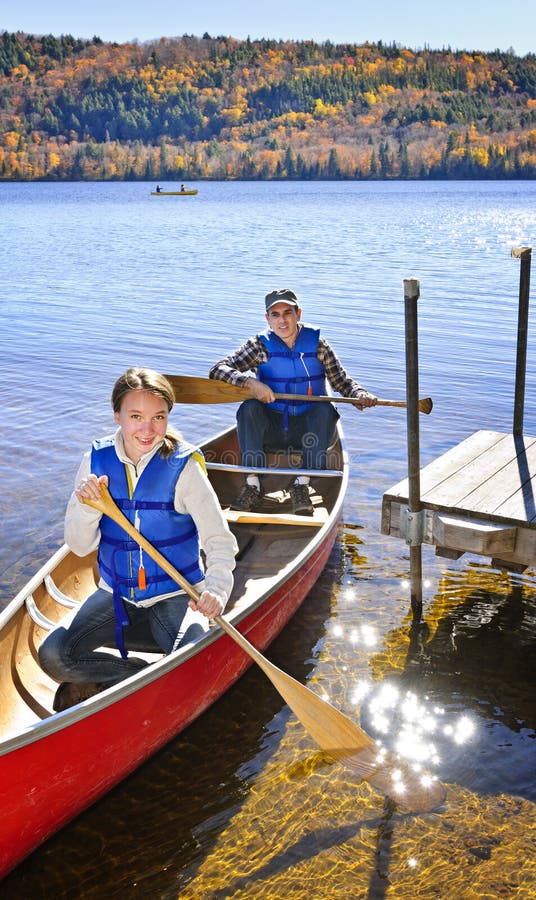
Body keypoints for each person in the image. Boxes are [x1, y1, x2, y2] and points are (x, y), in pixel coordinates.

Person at [39, 367, 238, 712]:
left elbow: (219, 539)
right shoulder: (95, 461)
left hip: (177, 596)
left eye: (158, 417)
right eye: (135, 416)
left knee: (190, 662)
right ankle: (136, 673)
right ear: (117, 415)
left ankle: (151, 676)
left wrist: (217, 590)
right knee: (54, 655)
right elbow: (79, 545)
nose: (148, 429)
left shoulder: (184, 468)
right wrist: (88, 507)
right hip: (117, 597)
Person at [208, 289, 377, 515]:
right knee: (249, 408)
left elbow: (341, 382)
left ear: (298, 313)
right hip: (273, 428)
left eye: (287, 313)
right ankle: (252, 486)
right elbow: (218, 369)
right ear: (267, 318)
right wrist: (251, 383)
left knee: (325, 409)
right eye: (275, 314)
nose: (282, 320)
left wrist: (359, 395)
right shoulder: (259, 346)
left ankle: (301, 485)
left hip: (309, 432)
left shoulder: (318, 345)